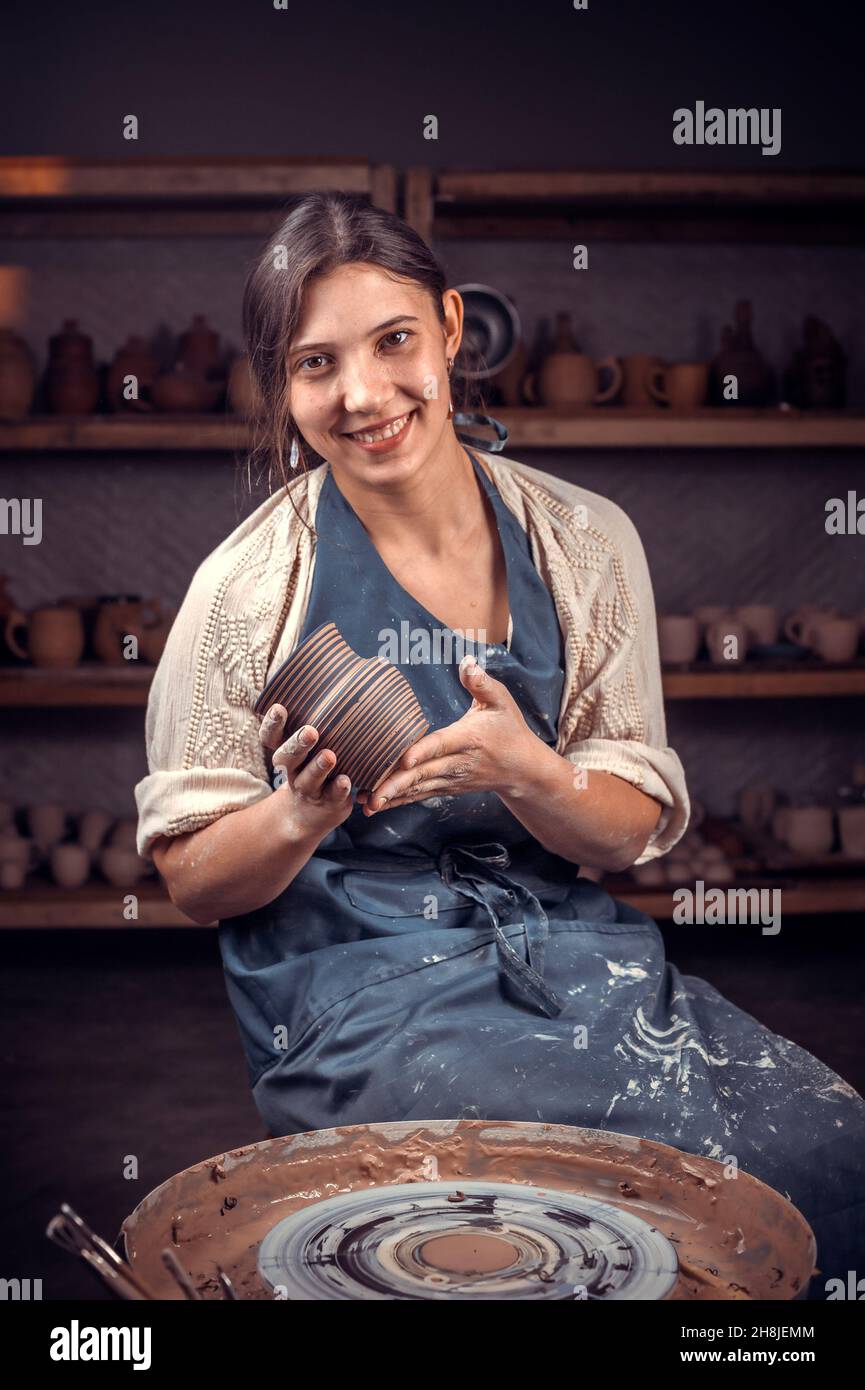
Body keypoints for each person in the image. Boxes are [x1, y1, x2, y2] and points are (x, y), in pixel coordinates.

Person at [135, 192, 865, 1295]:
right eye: (315, 364)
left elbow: (622, 838)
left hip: (573, 963)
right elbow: (191, 878)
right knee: (547, 1214)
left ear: (450, 329)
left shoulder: (580, 539)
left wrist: (536, 772)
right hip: (357, 995)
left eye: (393, 344)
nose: (364, 394)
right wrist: (298, 815)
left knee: (825, 1147)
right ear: (281, 385)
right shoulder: (244, 588)